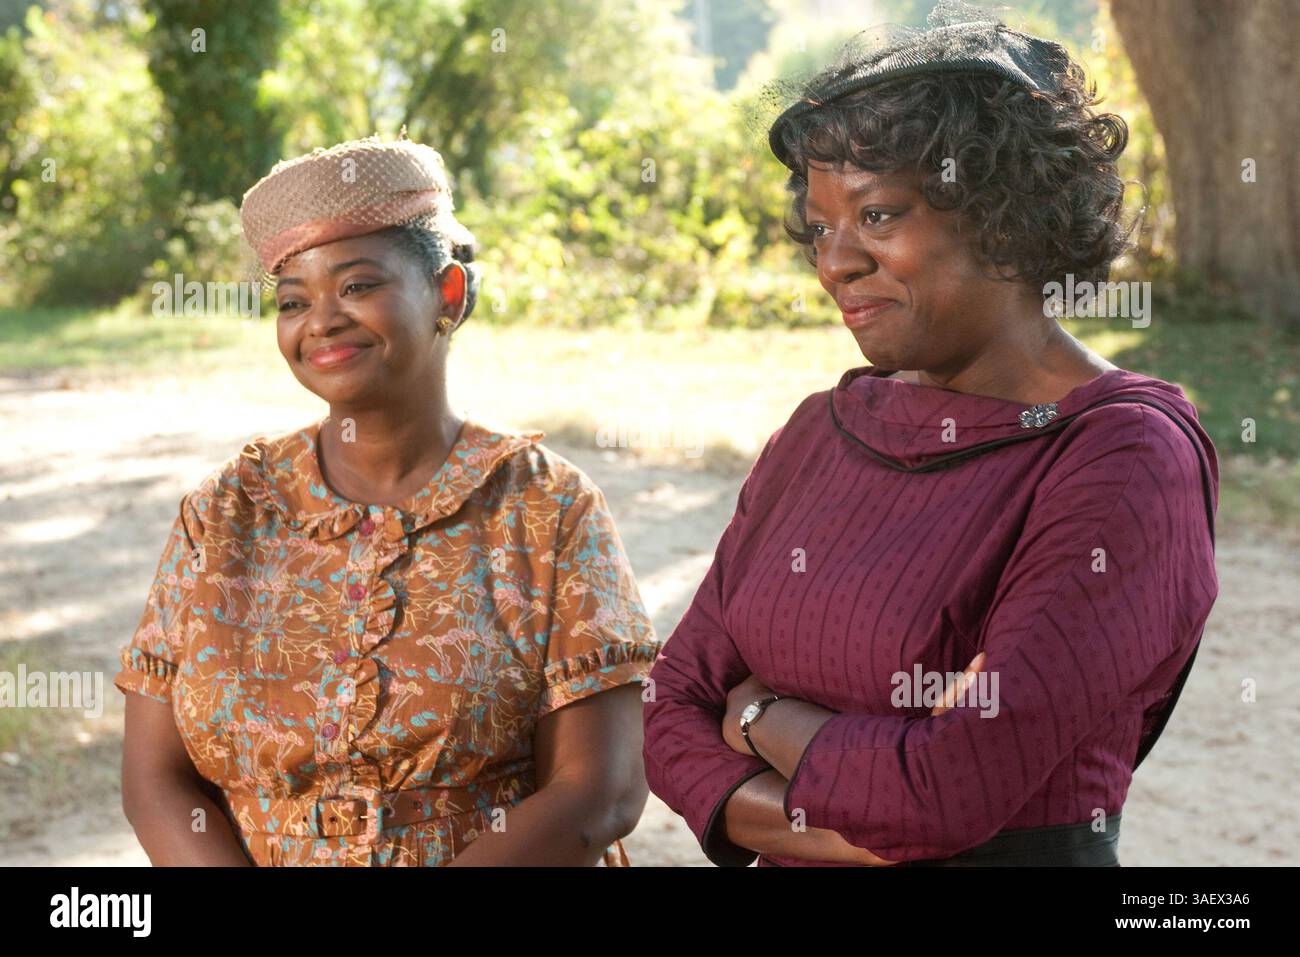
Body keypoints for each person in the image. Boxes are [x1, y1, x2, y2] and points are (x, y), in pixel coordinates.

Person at [641, 2, 1219, 867]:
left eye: (878, 215)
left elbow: (945, 792)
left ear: (1007, 215)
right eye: (821, 227)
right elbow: (668, 712)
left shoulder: (1126, 456)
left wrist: (759, 715)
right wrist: (862, 818)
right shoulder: (820, 431)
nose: (835, 261)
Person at [115, 132, 660, 866]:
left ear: (448, 294)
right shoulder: (223, 512)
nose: (321, 320)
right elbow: (155, 780)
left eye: (357, 286)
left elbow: (600, 790)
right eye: (293, 300)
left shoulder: (547, 507)